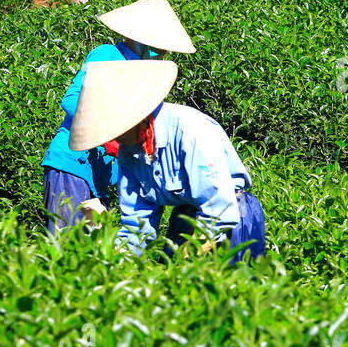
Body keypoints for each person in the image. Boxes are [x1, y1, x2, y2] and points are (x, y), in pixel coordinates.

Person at [69, 60, 266, 264]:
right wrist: (113, 259)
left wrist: (191, 253)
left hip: (232, 215)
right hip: (186, 214)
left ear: (137, 117)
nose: (113, 138)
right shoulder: (130, 153)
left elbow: (218, 210)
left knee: (228, 288)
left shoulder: (190, 131)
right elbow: (137, 226)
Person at [41, 0, 195, 234]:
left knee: (94, 253)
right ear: (139, 39)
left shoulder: (143, 73)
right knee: (67, 245)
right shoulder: (107, 55)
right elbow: (72, 100)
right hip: (73, 165)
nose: (162, 51)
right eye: (158, 44)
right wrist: (106, 136)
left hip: (101, 176)